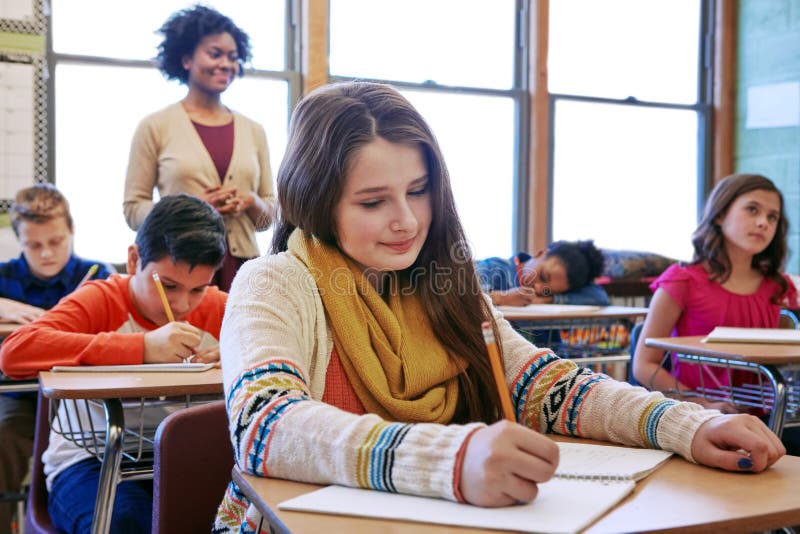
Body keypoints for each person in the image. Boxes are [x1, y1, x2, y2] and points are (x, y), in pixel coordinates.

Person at [211, 82, 784, 533]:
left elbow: (541, 383)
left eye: (418, 190)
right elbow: (266, 425)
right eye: (371, 201)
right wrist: (451, 459)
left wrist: (684, 422)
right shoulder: (275, 282)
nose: (406, 220)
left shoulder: (444, 283)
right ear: (316, 199)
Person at [0, 194, 228, 534]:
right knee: (129, 524)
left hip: (178, 460)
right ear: (134, 260)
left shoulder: (219, 306)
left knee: (236, 517)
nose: (182, 305)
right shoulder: (102, 298)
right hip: (89, 461)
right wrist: (142, 347)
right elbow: (15, 352)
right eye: (168, 286)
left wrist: (238, 353)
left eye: (198, 289)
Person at [123, 4, 275, 292]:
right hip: (181, 270)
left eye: (233, 57)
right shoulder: (155, 126)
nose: (226, 64)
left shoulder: (254, 131)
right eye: (215, 54)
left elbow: (269, 216)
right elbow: (133, 209)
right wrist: (186, 208)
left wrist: (251, 201)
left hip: (242, 271)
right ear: (186, 59)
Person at [632, 174, 798, 414]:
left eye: (772, 217)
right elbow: (644, 365)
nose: (764, 222)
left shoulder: (778, 286)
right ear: (720, 215)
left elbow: (783, 364)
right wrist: (703, 405)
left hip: (767, 419)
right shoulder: (682, 280)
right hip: (697, 416)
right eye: (752, 210)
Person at [0, 183, 111, 534]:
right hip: (21, 397)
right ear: (19, 240)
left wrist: (43, 321)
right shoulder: (5, 277)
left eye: (56, 242)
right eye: (34, 245)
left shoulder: (97, 275)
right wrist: (11, 307)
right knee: (1, 439)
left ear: (72, 231)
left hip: (82, 402)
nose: (47, 253)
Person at [477, 241, 609, 306]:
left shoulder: (546, 297)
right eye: (542, 276)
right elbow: (464, 300)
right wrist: (502, 298)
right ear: (540, 253)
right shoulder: (494, 269)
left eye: (549, 291)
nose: (539, 288)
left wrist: (550, 299)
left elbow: (600, 297)